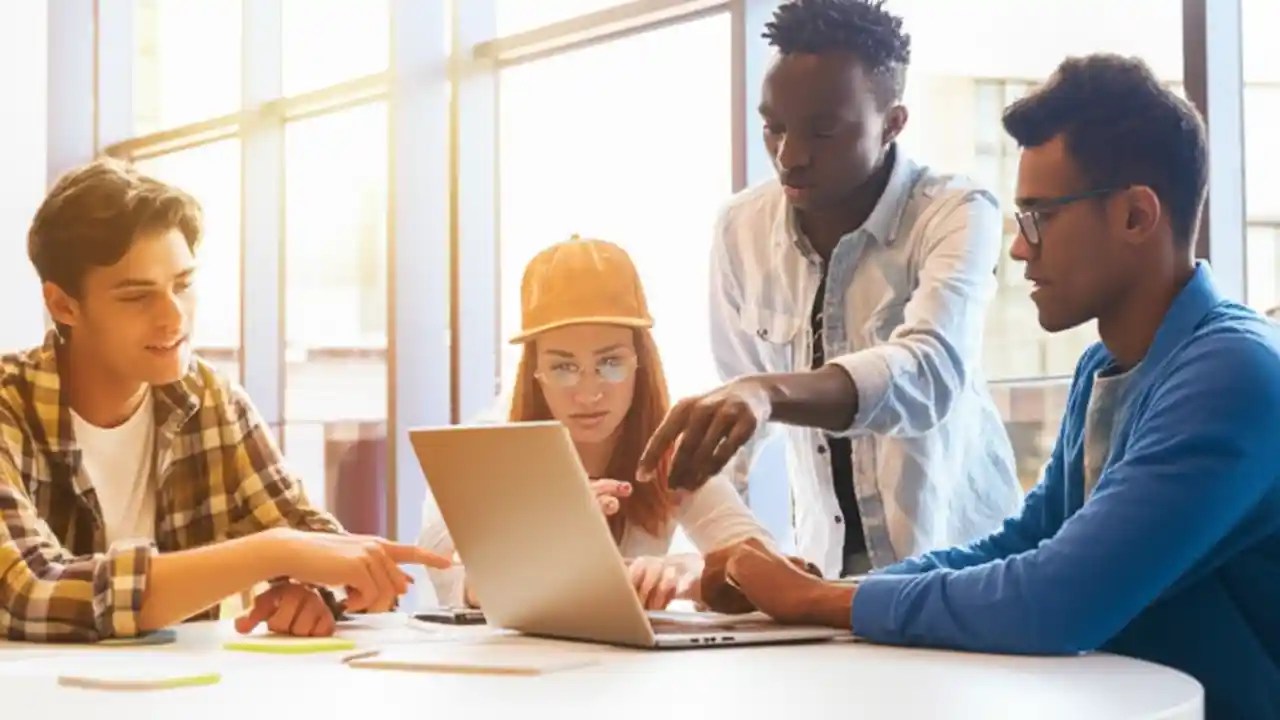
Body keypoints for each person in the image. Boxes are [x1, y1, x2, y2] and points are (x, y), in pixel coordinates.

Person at [704, 55, 1280, 719]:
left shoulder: (1234, 374)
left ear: (1135, 217)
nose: (1019, 249)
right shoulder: (1107, 367)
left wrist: (818, 602)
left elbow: (1057, 600)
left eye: (1040, 217)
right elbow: (1026, 544)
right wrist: (823, 591)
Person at [638, 0, 1020, 578]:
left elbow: (930, 371)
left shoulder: (955, 211)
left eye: (822, 131)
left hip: (960, 572)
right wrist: (721, 550)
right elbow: (738, 421)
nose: (789, 156)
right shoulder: (741, 228)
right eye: (774, 127)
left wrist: (766, 390)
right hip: (824, 579)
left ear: (893, 123)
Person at [0, 158, 448, 643]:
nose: (174, 318)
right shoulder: (10, 407)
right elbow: (29, 591)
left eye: (183, 285)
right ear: (63, 305)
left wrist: (318, 594)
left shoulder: (210, 400)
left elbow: (317, 544)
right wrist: (273, 552)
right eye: (136, 297)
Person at [419, 237, 770, 610]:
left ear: (641, 362)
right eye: (563, 367)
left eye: (610, 363)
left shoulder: (672, 452)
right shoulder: (478, 455)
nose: (588, 394)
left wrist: (693, 574)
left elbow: (769, 569)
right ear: (534, 371)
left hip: (630, 666)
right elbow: (451, 578)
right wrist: (545, 529)